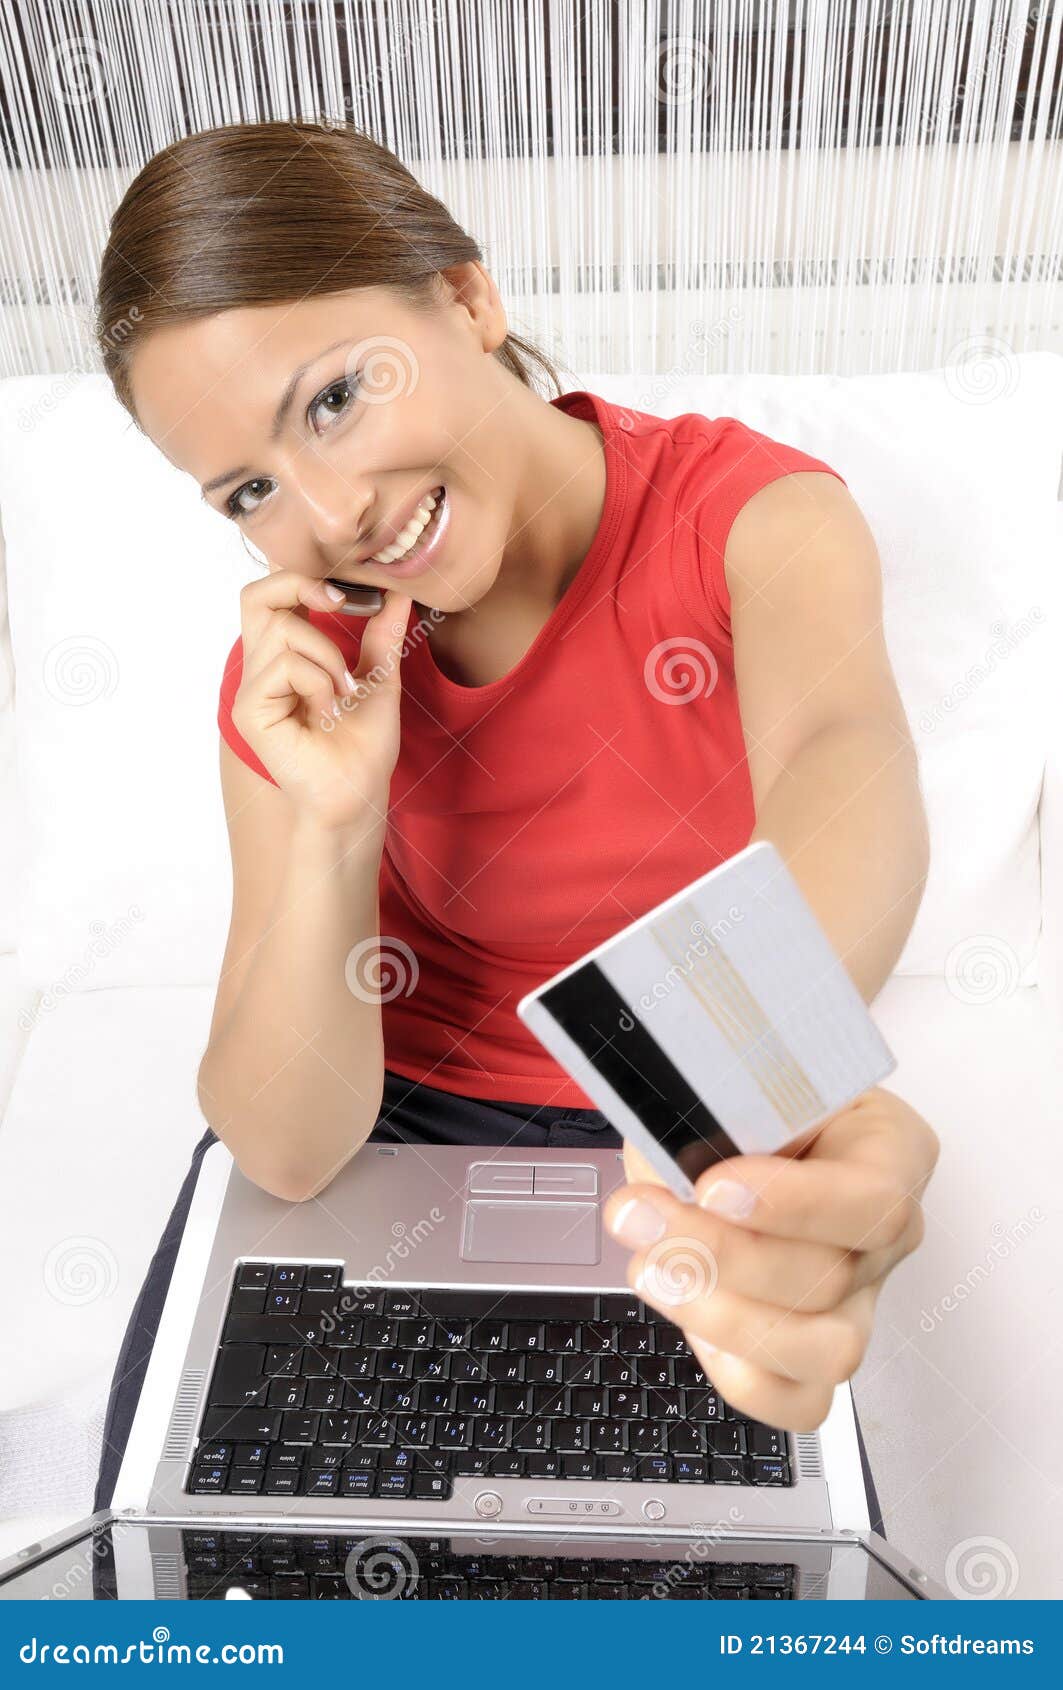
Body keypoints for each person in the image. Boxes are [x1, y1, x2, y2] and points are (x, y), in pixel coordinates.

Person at [91, 118, 939, 1537]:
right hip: (385, 1138)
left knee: (700, 1584)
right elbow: (287, 1147)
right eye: (247, 492)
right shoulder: (296, 671)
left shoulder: (754, 521)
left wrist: (710, 1126)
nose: (331, 512)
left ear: (469, 302)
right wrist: (334, 818)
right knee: (202, 1569)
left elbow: (848, 785)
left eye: (334, 400)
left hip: (665, 1108)